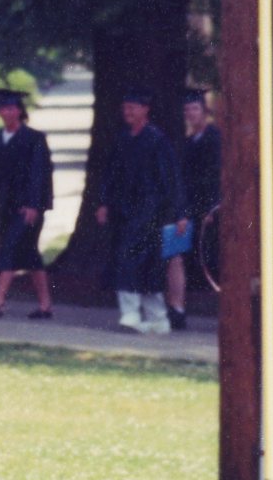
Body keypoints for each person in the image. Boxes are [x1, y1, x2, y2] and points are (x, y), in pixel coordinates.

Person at [94, 88, 184, 336]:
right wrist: (103, 203)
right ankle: (156, 318)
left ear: (145, 109)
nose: (128, 112)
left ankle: (134, 314)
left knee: (137, 261)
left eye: (133, 108)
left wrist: (179, 213)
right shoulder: (123, 139)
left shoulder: (157, 141)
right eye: (125, 108)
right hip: (124, 211)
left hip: (150, 212)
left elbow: (172, 179)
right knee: (137, 263)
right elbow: (109, 175)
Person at [0, 89, 56, 319]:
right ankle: (45, 305)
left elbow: (40, 174)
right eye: (3, 108)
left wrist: (34, 205)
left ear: (20, 111)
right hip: (3, 206)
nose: (6, 112)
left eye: (11, 108)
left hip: (27, 209)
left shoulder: (34, 139)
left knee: (9, 250)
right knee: (31, 255)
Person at [169, 89, 221, 329]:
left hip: (210, 210)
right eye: (186, 110)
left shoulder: (216, 139)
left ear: (204, 111)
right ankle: (177, 310)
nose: (190, 114)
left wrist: (212, 208)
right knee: (178, 255)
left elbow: (217, 177)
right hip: (189, 209)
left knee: (213, 260)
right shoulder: (188, 143)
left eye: (195, 109)